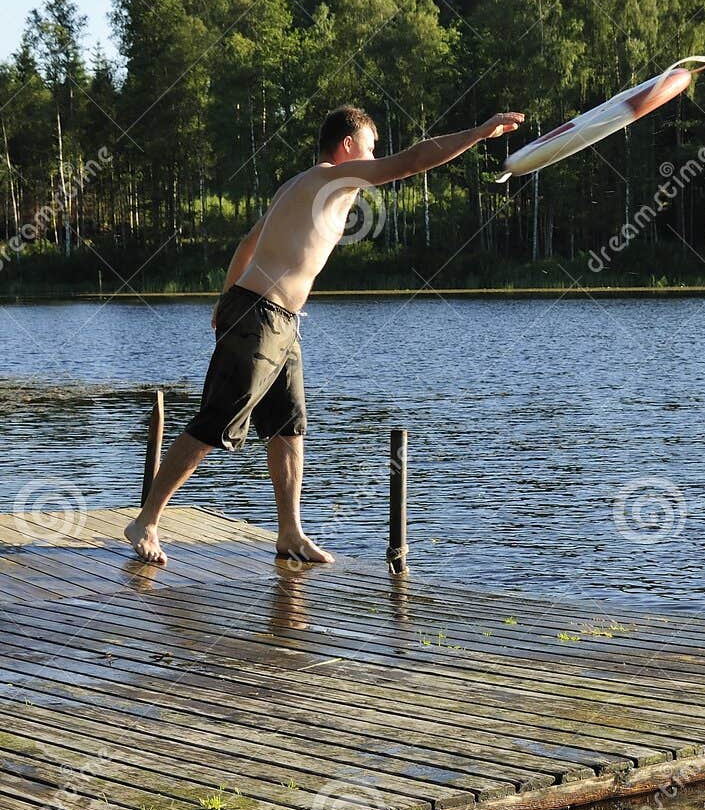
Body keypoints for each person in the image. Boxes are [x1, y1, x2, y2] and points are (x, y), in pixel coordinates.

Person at [124, 105, 525, 566]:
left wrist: (224, 298)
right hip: (259, 314)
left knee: (288, 426)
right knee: (216, 422)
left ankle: (289, 533)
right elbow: (413, 161)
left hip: (278, 318)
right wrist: (477, 131)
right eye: (371, 148)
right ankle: (147, 521)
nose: (374, 158)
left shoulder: (295, 186)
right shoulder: (331, 180)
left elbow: (247, 243)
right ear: (349, 146)